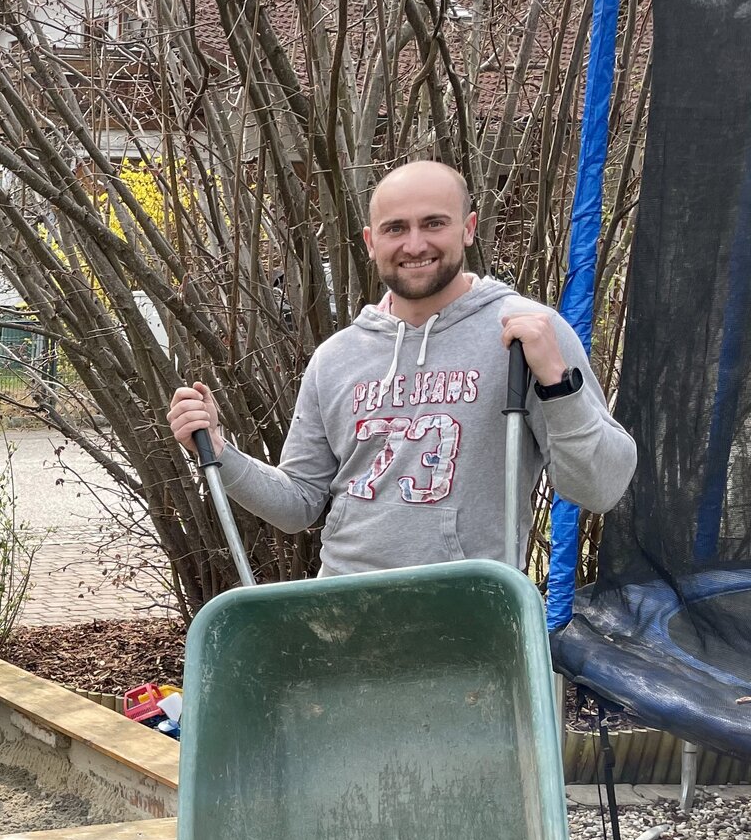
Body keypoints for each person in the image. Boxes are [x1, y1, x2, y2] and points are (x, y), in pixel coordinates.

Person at [166, 159, 636, 575]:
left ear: (468, 228)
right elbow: (299, 505)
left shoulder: (527, 335)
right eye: (395, 228)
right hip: (345, 615)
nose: (414, 245)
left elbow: (601, 489)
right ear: (371, 241)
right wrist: (220, 454)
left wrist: (558, 385)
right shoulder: (337, 357)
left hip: (470, 615)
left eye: (434, 223)